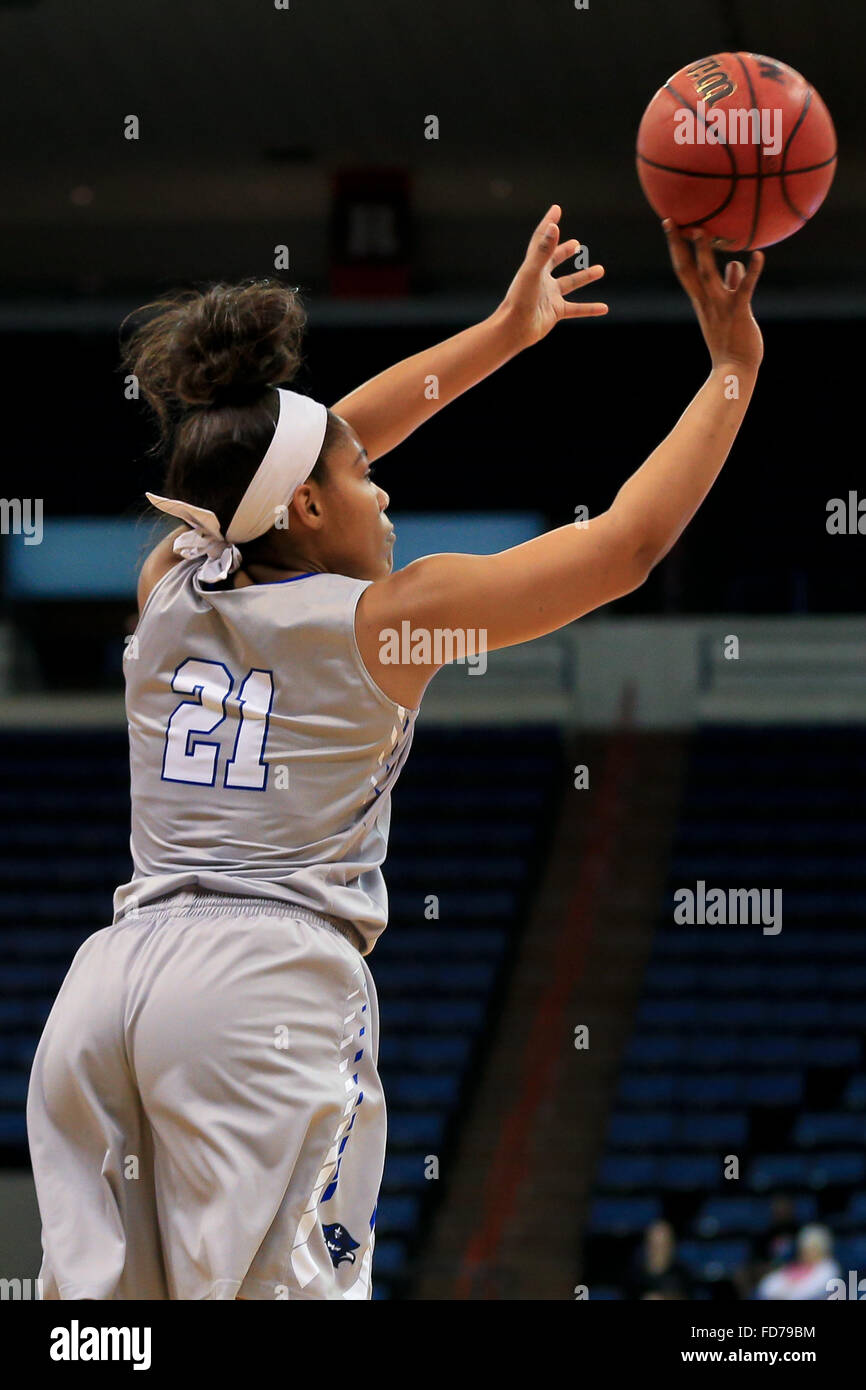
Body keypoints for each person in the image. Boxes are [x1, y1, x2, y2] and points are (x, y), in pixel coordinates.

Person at [26, 205, 764, 1300]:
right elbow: (625, 548)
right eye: (362, 476)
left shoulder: (174, 577)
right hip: (259, 986)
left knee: (97, 1332)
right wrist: (730, 370)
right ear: (311, 504)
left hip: (107, 988)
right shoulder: (385, 621)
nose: (385, 486)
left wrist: (504, 334)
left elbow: (291, 461)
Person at [755, 1224, 840, 1300]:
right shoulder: (795, 1267)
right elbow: (766, 1287)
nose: (808, 1252)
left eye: (814, 1248)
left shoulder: (829, 1268)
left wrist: (783, 1295)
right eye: (805, 1247)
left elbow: (811, 1292)